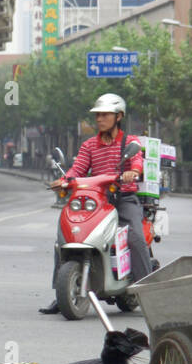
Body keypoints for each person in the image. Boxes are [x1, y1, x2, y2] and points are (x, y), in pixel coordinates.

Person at [39, 93, 150, 314]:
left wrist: (133, 172)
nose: (99, 119)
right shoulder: (90, 145)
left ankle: (148, 290)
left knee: (135, 237)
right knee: (65, 237)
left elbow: (137, 160)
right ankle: (61, 293)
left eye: (105, 114)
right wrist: (64, 181)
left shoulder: (130, 142)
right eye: (97, 115)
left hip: (123, 198)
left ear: (118, 116)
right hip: (96, 200)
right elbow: (77, 169)